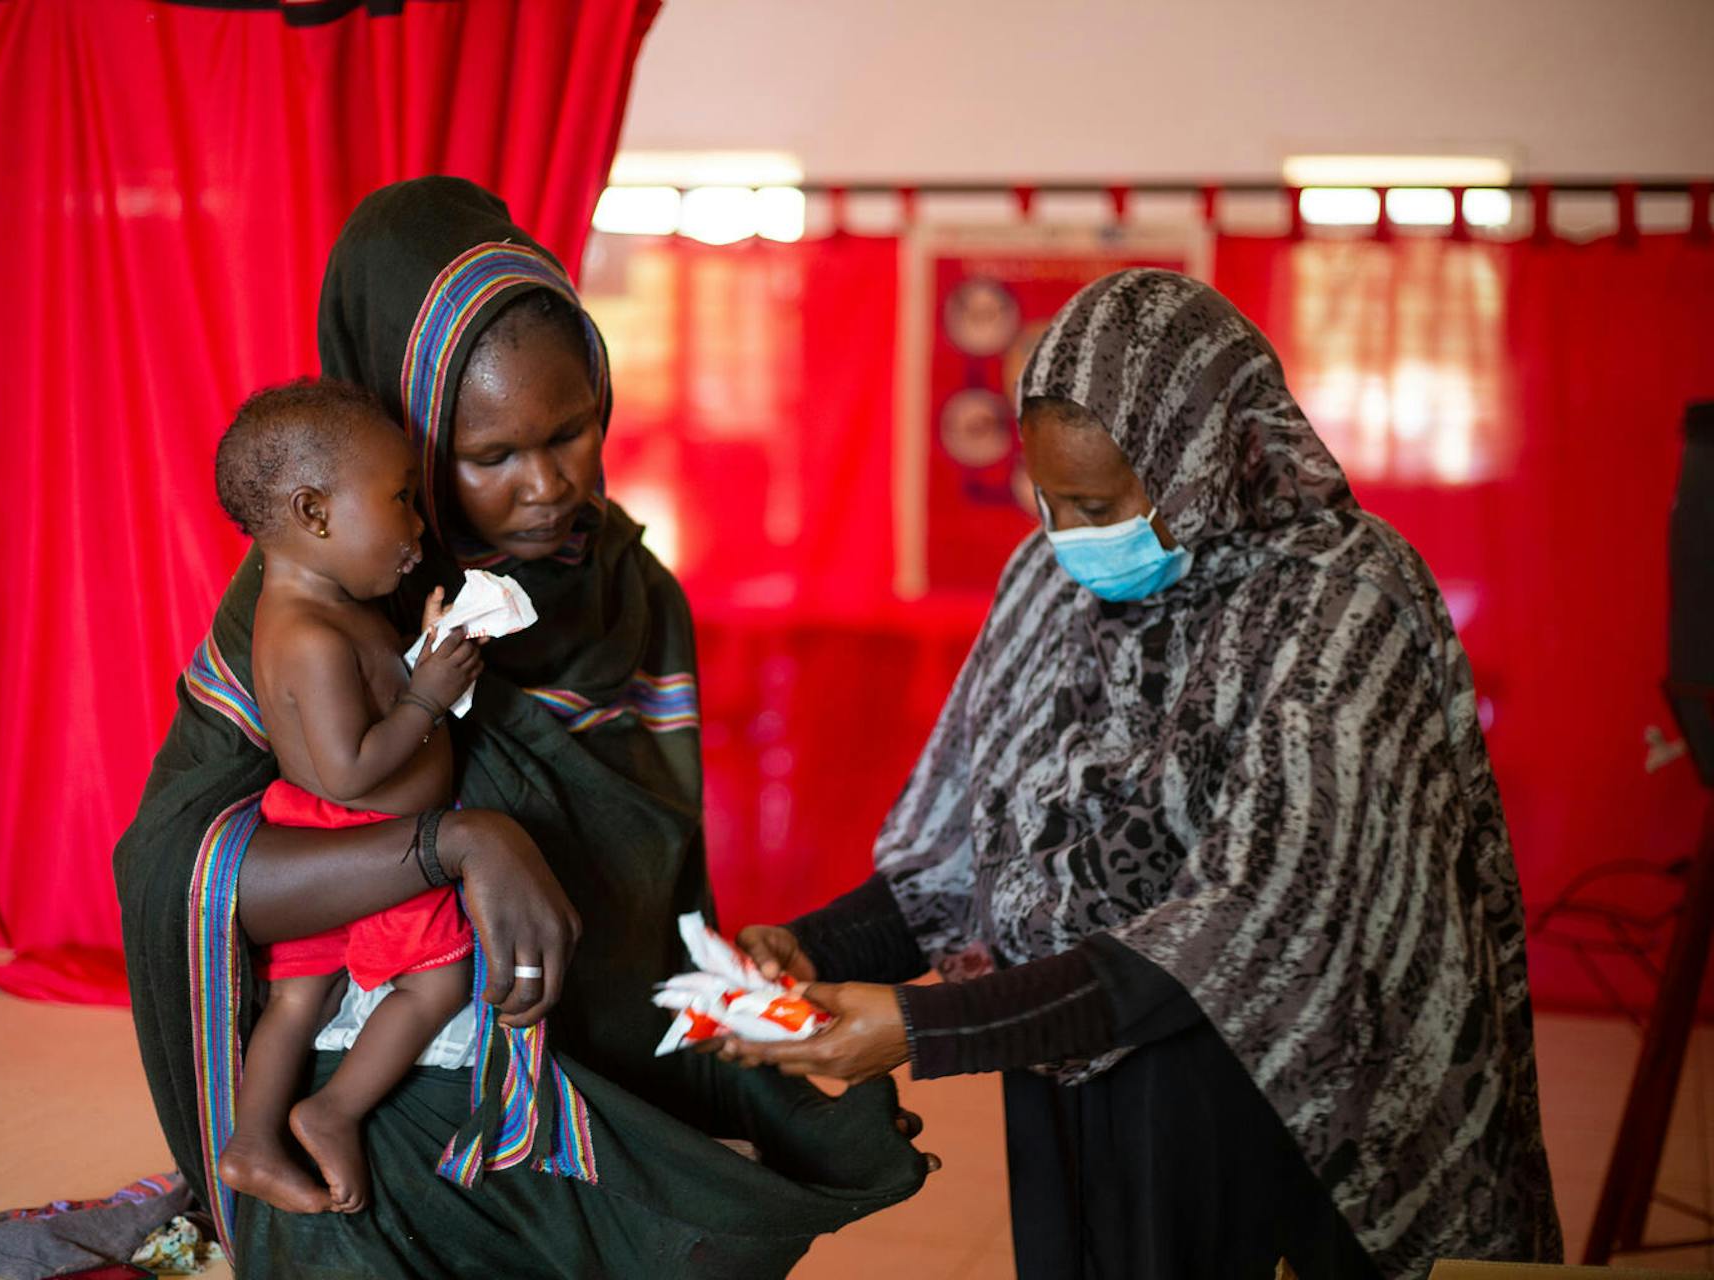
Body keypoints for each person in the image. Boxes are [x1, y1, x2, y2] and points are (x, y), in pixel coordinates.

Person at [113, 177, 929, 1280]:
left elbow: (647, 896)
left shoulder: (633, 598)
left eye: (574, 430)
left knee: (736, 1203)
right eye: (489, 457)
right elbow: (189, 872)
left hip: (581, 1039)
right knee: (370, 1228)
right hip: (390, 1079)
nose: (549, 485)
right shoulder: (315, 612)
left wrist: (731, 1007)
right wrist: (458, 841)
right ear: (400, 433)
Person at [713, 269, 1563, 1280]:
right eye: (1051, 500)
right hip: (1069, 1060)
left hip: (1284, 1094)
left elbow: (1248, 927)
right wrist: (811, 947)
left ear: (1202, 460)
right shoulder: (1047, 579)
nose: (1073, 535)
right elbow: (967, 852)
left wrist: (921, 1026)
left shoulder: (1341, 600)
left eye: (1099, 502)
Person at [209, 379, 484, 1216]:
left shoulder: (325, 606)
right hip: (363, 838)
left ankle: (251, 1145)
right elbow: (350, 770)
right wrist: (429, 696)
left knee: (304, 994)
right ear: (315, 513)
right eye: (401, 498)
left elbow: (375, 695)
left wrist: (422, 649)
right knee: (439, 982)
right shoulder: (312, 636)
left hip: (331, 830)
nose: (417, 525)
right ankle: (333, 1109)